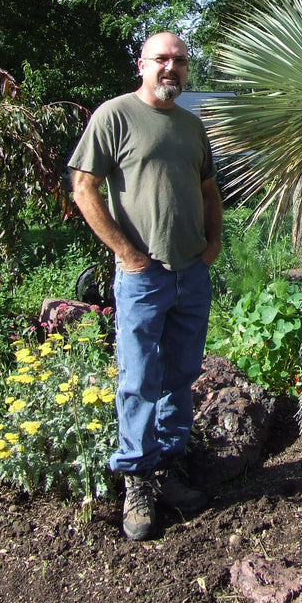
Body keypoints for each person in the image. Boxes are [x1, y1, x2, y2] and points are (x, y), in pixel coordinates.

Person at [69, 32, 222, 540]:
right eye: (162, 59)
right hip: (142, 275)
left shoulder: (191, 127)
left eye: (179, 61)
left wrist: (213, 240)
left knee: (181, 373)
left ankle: (169, 469)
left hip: (190, 274)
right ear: (143, 64)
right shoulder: (114, 115)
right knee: (138, 379)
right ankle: (137, 480)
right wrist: (125, 252)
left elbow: (207, 188)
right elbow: (83, 188)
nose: (171, 68)